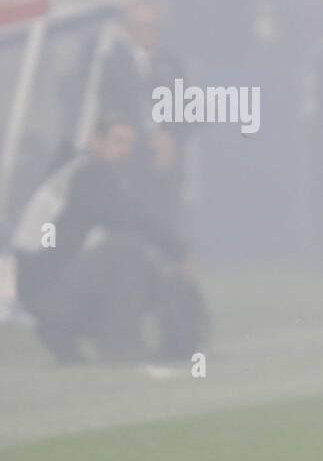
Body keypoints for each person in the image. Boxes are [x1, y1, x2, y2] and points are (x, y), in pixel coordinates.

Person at [11, 115, 192, 363]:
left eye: (128, 143)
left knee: (144, 274)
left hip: (37, 289)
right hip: (47, 289)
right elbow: (130, 216)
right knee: (126, 250)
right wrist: (178, 250)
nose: (124, 151)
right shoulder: (90, 173)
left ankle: (59, 330)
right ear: (94, 140)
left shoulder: (72, 169)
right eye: (117, 141)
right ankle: (121, 346)